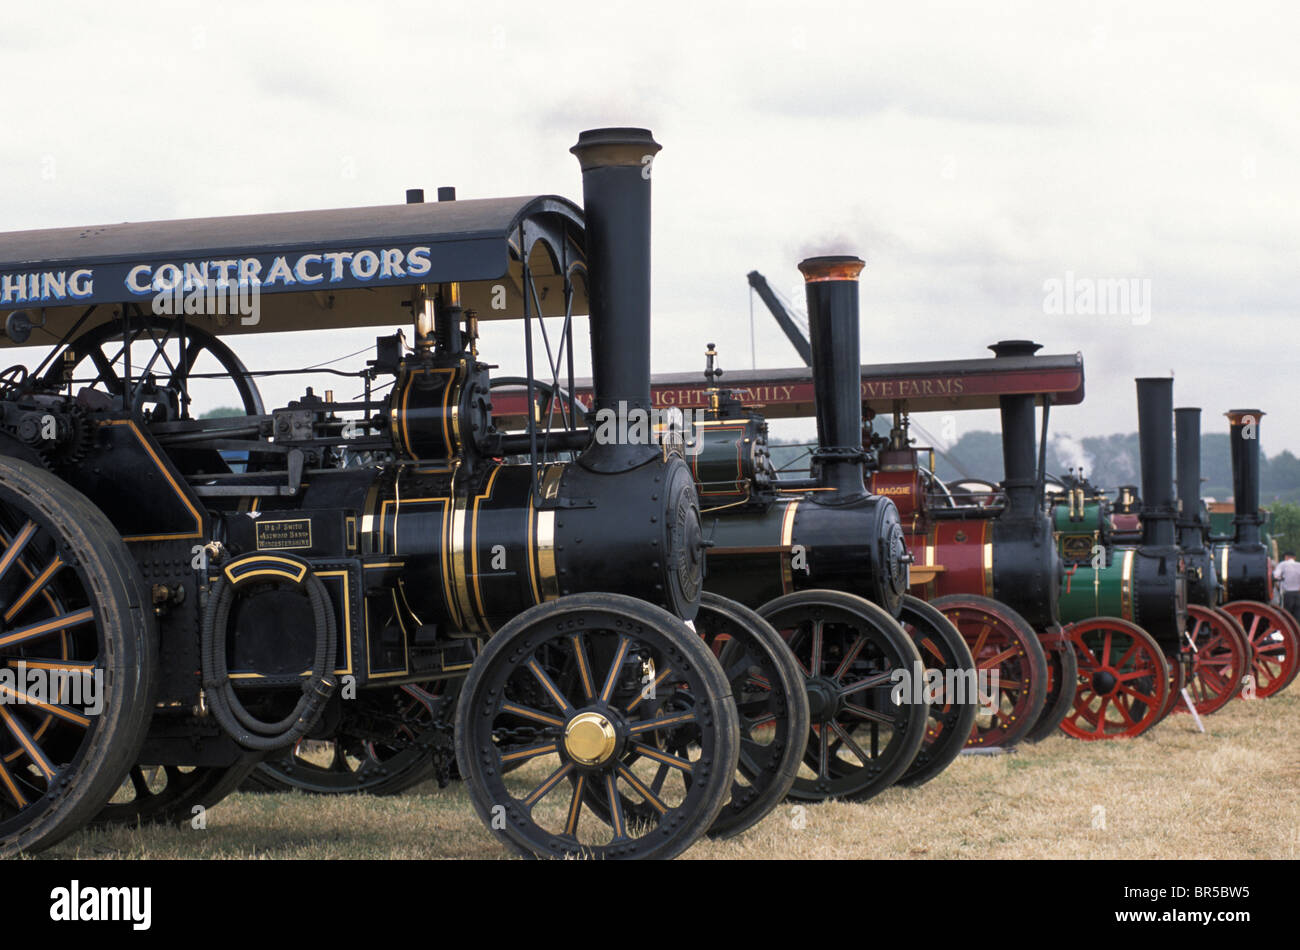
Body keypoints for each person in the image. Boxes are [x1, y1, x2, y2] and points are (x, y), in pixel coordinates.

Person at [1274, 551, 1300, 625]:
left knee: (1287, 616)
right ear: (1294, 557)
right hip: (1298, 593)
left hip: (1287, 593)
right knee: (1297, 616)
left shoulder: (1283, 564)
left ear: (1286, 557)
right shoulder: (1299, 565)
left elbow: (1276, 576)